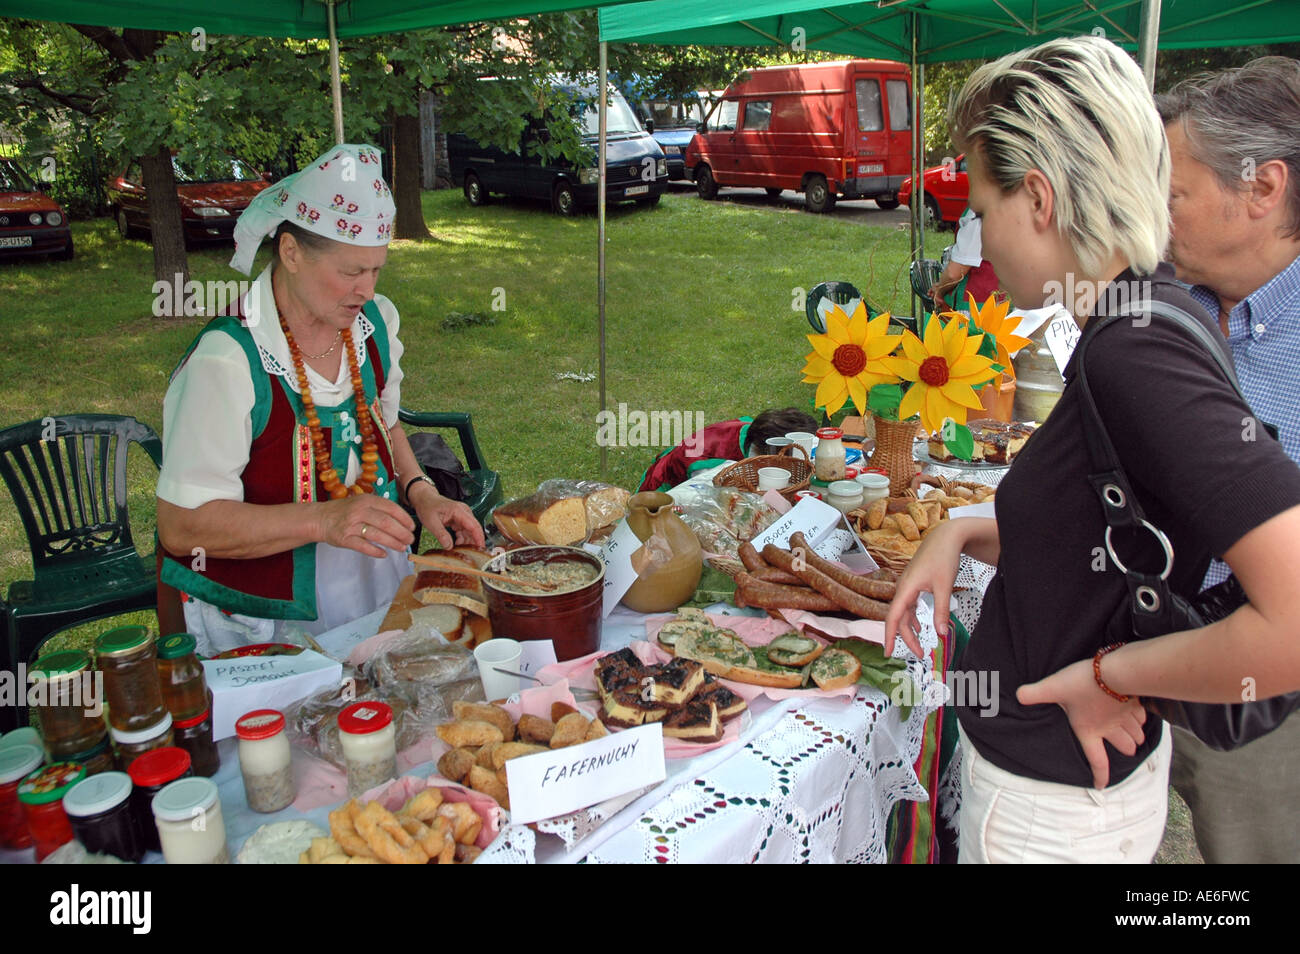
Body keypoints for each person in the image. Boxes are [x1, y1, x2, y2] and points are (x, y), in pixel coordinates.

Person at [884, 36, 1300, 864]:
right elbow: (1111, 534)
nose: (978, 240)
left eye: (978, 208)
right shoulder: (1147, 316)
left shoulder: (1133, 346)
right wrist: (961, 529)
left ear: (1038, 197)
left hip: (1056, 812)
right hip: (1076, 789)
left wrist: (1113, 676)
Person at [156, 143, 484, 656]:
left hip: (371, 581)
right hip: (261, 618)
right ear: (291, 252)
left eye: (376, 270)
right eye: (351, 272)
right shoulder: (227, 361)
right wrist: (323, 521)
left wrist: (422, 492)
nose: (366, 289)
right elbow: (182, 528)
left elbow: (384, 422)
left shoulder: (373, 325)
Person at [1156, 58, 1300, 863]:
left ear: (1262, 188)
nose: (1157, 211)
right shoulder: (1174, 306)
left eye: (1174, 193)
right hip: (1147, 657)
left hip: (1274, 702)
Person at [637, 407, 818, 492]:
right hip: (664, 492)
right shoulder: (713, 466)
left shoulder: (755, 430)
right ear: (771, 450)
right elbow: (705, 505)